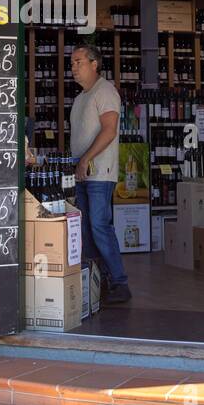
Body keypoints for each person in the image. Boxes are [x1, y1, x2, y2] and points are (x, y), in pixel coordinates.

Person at [69, 43, 131, 304]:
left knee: (99, 226)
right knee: (86, 229)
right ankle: (99, 281)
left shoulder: (105, 91)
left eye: (78, 62)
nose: (73, 67)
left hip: (99, 173)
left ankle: (119, 283)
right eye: (72, 63)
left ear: (95, 64)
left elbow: (109, 130)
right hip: (84, 172)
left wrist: (85, 159)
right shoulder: (81, 96)